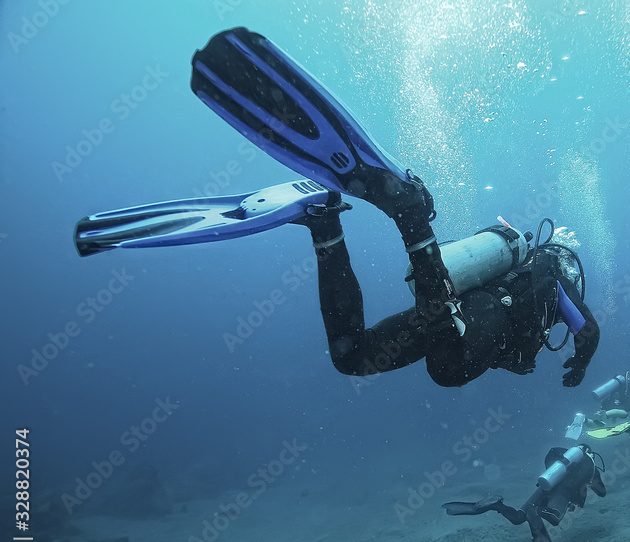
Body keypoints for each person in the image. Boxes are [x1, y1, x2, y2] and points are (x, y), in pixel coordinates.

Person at [72, 27, 600, 388]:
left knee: (355, 358)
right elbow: (588, 330)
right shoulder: (554, 275)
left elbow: (458, 286)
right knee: (448, 366)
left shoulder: (520, 268)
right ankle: (409, 214)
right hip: (464, 330)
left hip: (456, 310)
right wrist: (577, 365)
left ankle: (326, 229)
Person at [442, 444, 607, 542]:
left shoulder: (566, 457)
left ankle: (496, 505)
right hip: (562, 490)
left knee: (519, 517)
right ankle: (535, 512)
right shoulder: (590, 466)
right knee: (554, 518)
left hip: (546, 483)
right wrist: (590, 482)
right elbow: (602, 493)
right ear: (590, 453)